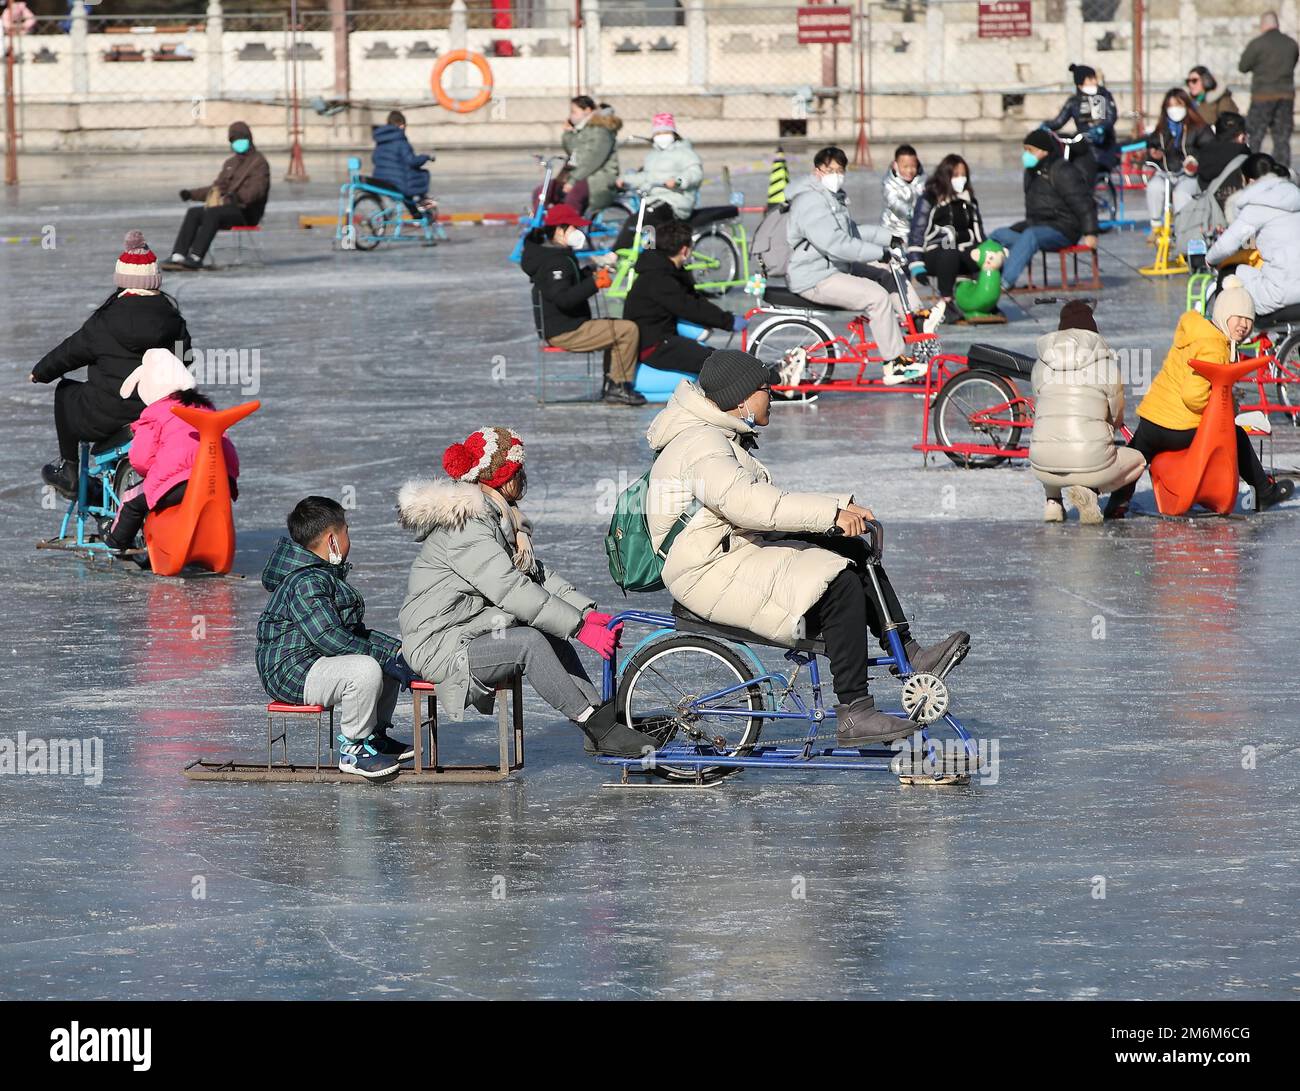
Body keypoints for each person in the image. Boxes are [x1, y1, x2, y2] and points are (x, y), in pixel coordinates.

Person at [645, 350, 970, 747]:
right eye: (768, 390)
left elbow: (758, 503)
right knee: (840, 584)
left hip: (727, 548)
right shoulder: (703, 443)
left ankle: (909, 653)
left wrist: (838, 511)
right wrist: (830, 512)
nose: (773, 399)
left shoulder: (713, 435)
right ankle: (855, 711)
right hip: (707, 569)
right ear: (741, 396)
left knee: (852, 550)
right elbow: (750, 504)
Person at [397, 428, 656, 759]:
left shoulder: (497, 517)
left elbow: (536, 575)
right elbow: (511, 588)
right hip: (440, 646)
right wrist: (578, 628)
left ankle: (602, 719)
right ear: (502, 477)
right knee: (528, 642)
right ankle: (593, 724)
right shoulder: (467, 528)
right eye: (519, 471)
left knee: (548, 635)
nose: (525, 477)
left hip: (465, 630)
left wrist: (586, 613)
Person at [1103, 278, 1295, 518]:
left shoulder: (1196, 333)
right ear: (1224, 314)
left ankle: (1118, 501)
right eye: (1238, 317)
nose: (1244, 325)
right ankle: (1264, 492)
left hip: (1152, 420)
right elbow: (1194, 396)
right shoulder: (1214, 347)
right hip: (1180, 427)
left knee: (1136, 455)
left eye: (1249, 320)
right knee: (1236, 436)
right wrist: (1224, 407)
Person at [256, 496, 417, 781]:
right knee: (365, 668)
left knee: (385, 659)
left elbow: (353, 635)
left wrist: (398, 652)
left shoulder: (323, 576)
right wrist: (381, 657)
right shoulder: (305, 582)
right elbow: (330, 637)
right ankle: (354, 749)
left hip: (313, 662)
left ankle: (373, 736)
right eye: (347, 532)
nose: (349, 539)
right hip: (290, 671)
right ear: (332, 540)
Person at [31, 231, 192, 498]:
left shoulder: (105, 319)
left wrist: (41, 372)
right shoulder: (171, 318)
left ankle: (69, 470)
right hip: (155, 414)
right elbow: (184, 360)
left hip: (104, 415)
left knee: (66, 391)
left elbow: (71, 351)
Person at [786, 146, 924, 385]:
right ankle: (894, 364)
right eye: (830, 170)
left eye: (840, 170)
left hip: (833, 267)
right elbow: (836, 244)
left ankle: (918, 320)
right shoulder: (811, 201)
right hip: (814, 277)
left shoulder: (831, 197)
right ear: (817, 171)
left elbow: (852, 233)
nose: (836, 175)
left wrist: (887, 238)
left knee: (887, 273)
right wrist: (879, 252)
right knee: (877, 297)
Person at [102, 348, 240, 553]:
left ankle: (116, 540)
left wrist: (151, 473)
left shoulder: (155, 413)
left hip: (178, 482)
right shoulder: (206, 408)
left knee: (132, 500)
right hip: (219, 480)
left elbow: (141, 459)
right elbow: (228, 450)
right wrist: (228, 476)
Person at [1029, 302, 1145, 524]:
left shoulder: (1041, 364)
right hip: (1089, 461)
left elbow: (1041, 409)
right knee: (1138, 460)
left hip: (1042, 463)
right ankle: (1091, 493)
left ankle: (1052, 502)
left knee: (1051, 436)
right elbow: (1117, 416)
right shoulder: (1105, 364)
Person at [520, 204, 645, 406]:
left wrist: (591, 272)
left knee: (617, 326)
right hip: (565, 330)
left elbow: (570, 281)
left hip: (569, 324)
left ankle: (611, 384)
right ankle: (618, 386)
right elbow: (564, 298)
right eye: (573, 228)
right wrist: (595, 283)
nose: (579, 233)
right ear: (559, 230)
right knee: (627, 330)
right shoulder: (554, 262)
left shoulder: (556, 254)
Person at [623, 219, 743, 378]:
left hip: (659, 340)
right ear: (685, 251)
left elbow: (693, 299)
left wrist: (726, 318)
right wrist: (729, 321)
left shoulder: (661, 269)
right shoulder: (660, 279)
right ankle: (772, 380)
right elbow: (690, 307)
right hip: (653, 347)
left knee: (715, 357)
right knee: (718, 362)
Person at [991, 129, 1098, 292]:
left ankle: (1004, 282)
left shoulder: (1062, 170)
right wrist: (1021, 227)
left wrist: (1090, 232)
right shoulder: (1031, 172)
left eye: (1030, 150)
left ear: (1044, 151)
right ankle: (985, 276)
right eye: (1025, 150)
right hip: (1038, 227)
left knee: (1031, 235)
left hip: (1064, 229)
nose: (1026, 154)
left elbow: (1083, 201)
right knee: (998, 235)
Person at [165, 121, 270, 270]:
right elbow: (216, 188)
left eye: (242, 139)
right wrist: (192, 194)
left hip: (246, 212)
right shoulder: (231, 163)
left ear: (249, 140)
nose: (238, 143)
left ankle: (196, 256)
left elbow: (258, 189)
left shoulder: (259, 162)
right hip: (226, 208)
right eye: (235, 141)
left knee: (213, 213)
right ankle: (178, 255)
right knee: (194, 212)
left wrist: (239, 198)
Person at [1206, 153, 1300, 314]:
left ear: (1249, 181)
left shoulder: (1258, 204)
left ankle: (1228, 331)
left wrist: (1209, 259)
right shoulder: (1294, 195)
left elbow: (1226, 246)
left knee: (1228, 274)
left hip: (1282, 293)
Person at [907, 153, 989, 321]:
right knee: (949, 252)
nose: (961, 179)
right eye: (956, 175)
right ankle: (946, 302)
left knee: (991, 258)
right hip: (935, 253)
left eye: (963, 175)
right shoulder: (930, 198)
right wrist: (916, 264)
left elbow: (979, 234)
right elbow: (917, 232)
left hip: (964, 250)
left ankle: (984, 301)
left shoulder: (969, 201)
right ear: (946, 176)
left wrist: (988, 251)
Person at [613, 113, 704, 250]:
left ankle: (625, 254)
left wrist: (678, 181)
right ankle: (633, 253)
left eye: (665, 132)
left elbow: (694, 173)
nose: (662, 136)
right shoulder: (652, 156)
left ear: (673, 133)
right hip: (655, 199)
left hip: (676, 200)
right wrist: (624, 180)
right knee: (637, 222)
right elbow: (646, 177)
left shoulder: (685, 153)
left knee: (647, 217)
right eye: (658, 132)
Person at [1139, 88, 1212, 231]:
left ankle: (1183, 229)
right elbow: (1152, 145)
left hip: (1190, 175)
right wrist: (1153, 154)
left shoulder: (1199, 127)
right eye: (1170, 106)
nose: (1174, 110)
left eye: (1178, 105)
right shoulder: (1162, 129)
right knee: (1154, 188)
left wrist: (1195, 160)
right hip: (1166, 172)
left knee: (1181, 194)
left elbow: (1209, 149)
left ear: (1186, 106)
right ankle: (1156, 226)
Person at [1239, 10, 1299, 166]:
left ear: (1263, 25)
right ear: (1277, 24)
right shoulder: (1291, 43)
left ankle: (1251, 168)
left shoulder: (1257, 44)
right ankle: (1282, 172)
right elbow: (1293, 62)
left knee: (1254, 135)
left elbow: (1243, 66)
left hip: (1262, 96)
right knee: (1282, 138)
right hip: (1286, 96)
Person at [1042, 63, 1120, 177]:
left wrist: (1101, 128)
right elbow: (1059, 122)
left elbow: (1111, 116)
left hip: (1103, 144)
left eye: (1094, 79)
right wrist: (1045, 126)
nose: (1094, 82)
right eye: (1090, 79)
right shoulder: (1074, 101)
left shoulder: (1104, 96)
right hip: (1083, 143)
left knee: (1086, 168)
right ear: (1080, 84)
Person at [560, 96, 622, 214]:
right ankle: (547, 228)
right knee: (544, 192)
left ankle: (571, 230)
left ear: (587, 111)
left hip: (599, 177)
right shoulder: (584, 128)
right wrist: (568, 133)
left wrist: (573, 180)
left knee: (573, 197)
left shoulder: (601, 131)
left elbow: (592, 161)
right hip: (583, 174)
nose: (570, 116)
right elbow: (574, 151)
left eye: (574, 111)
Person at [370, 109, 435, 215]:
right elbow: (412, 161)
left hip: (380, 179)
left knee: (407, 189)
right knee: (422, 176)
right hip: (396, 182)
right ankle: (423, 211)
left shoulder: (380, 141)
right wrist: (425, 157)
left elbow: (374, 158)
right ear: (401, 125)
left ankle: (415, 212)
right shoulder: (401, 141)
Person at [880, 144, 925, 239]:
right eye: (905, 167)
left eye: (913, 166)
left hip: (919, 229)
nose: (909, 170)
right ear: (895, 165)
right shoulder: (889, 183)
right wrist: (915, 215)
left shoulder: (923, 180)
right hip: (894, 231)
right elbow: (895, 203)